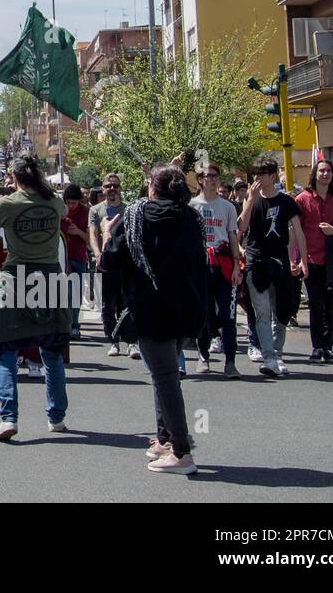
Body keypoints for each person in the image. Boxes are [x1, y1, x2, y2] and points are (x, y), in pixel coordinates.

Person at [102, 164, 208, 475]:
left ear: (153, 188)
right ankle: (165, 439)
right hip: (185, 307)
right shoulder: (190, 217)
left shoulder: (137, 215)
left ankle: (182, 452)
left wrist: (108, 233)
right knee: (165, 374)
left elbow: (111, 260)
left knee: (165, 378)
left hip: (152, 308)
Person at [0, 155, 70, 441]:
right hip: (51, 277)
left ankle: (8, 418)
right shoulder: (54, 201)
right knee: (52, 353)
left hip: (16, 277)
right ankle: (57, 417)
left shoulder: (8, 204)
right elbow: (63, 212)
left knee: (5, 350)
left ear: (14, 177)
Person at [238, 155, 307, 377]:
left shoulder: (286, 201)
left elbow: (298, 232)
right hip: (255, 261)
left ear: (272, 176)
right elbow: (240, 227)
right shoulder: (252, 199)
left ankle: (277, 353)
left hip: (280, 262)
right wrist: (249, 200)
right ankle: (268, 357)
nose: (257, 177)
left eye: (261, 174)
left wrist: (303, 260)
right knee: (261, 312)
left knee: (281, 311)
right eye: (255, 174)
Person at [189, 162, 242, 376]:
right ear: (200, 179)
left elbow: (232, 236)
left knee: (228, 316)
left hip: (223, 265)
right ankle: (203, 356)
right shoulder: (192, 206)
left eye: (215, 176)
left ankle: (230, 362)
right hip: (201, 266)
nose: (211, 179)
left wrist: (237, 265)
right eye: (207, 175)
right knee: (203, 313)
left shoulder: (227, 207)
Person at [295, 159, 333, 365]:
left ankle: (329, 347)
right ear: (315, 175)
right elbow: (294, 232)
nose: (325, 174)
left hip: (332, 261)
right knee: (316, 304)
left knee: (330, 307)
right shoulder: (302, 199)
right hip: (310, 260)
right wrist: (297, 259)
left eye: (329, 171)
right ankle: (317, 347)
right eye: (322, 171)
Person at [89, 173, 135, 357]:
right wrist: (97, 254)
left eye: (115, 186)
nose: (112, 189)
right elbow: (92, 234)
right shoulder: (95, 210)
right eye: (108, 186)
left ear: (120, 188)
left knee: (127, 302)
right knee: (107, 305)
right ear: (103, 189)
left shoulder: (128, 209)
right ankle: (113, 340)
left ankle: (131, 341)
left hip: (126, 263)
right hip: (105, 262)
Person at [61, 184, 89, 339]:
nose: (71, 206)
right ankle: (67, 324)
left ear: (80, 201)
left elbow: (91, 239)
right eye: (68, 202)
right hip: (61, 259)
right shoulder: (61, 212)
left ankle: (75, 324)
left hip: (78, 257)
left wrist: (78, 232)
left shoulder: (86, 213)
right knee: (63, 293)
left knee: (75, 294)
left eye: (74, 203)